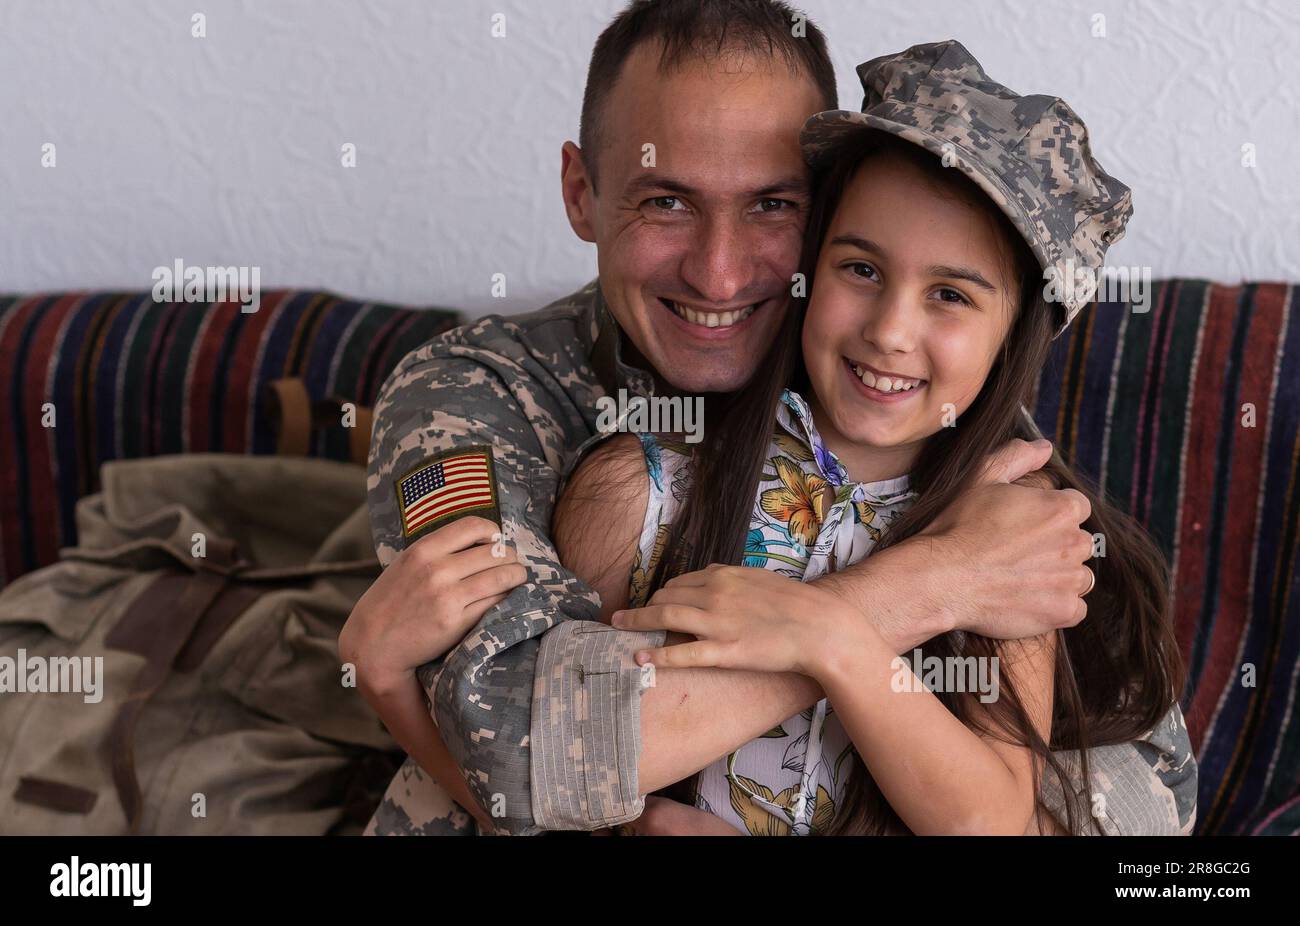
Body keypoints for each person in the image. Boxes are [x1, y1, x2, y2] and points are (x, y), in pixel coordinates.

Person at [338, 0, 1194, 836]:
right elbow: (523, 749)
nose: (718, 275)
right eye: (665, 201)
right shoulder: (486, 395)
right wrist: (912, 591)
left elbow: (1098, 797)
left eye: (772, 205)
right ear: (581, 192)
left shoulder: (915, 397)